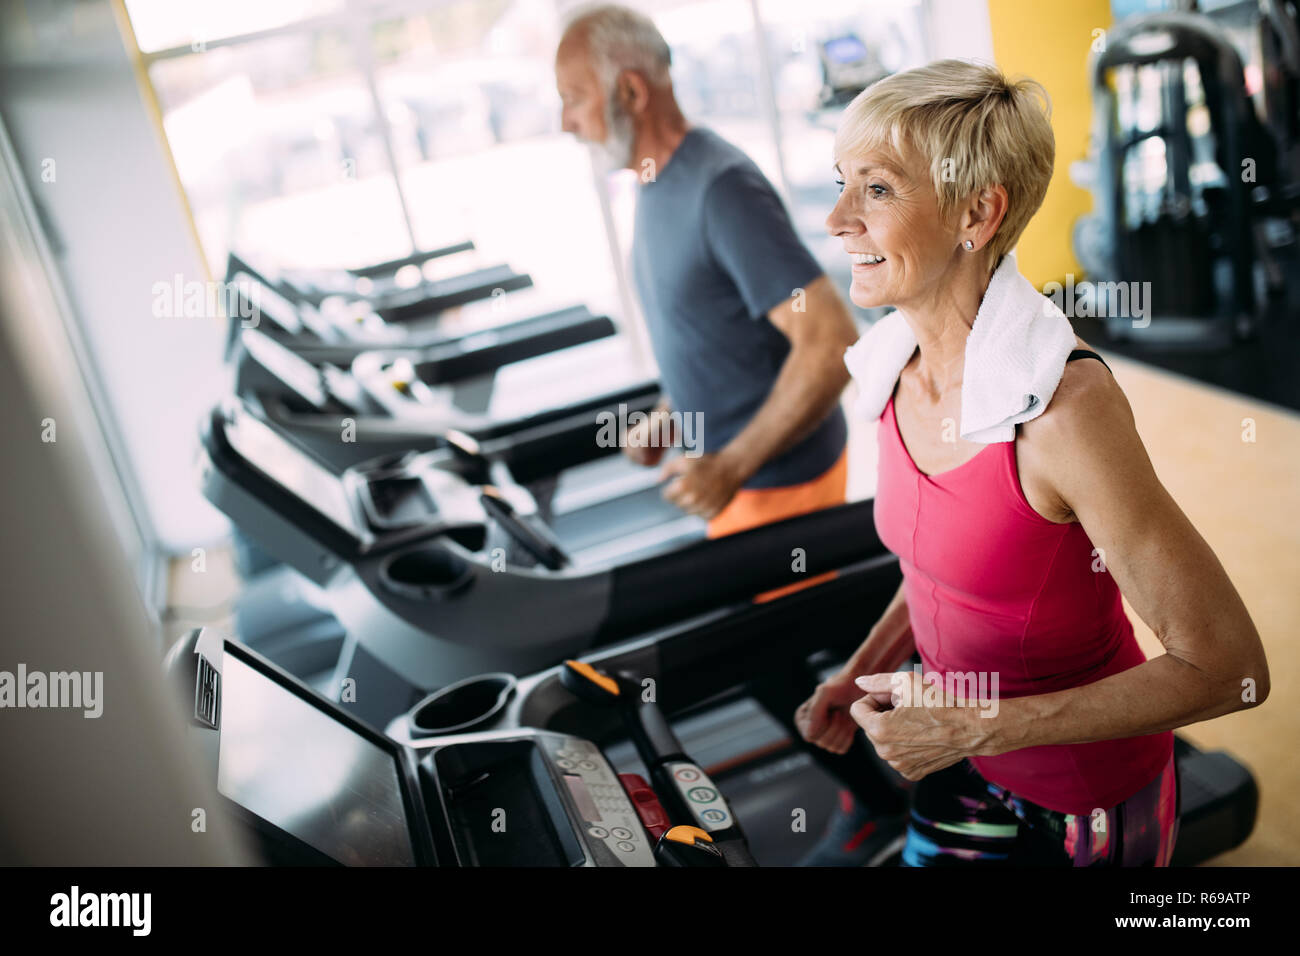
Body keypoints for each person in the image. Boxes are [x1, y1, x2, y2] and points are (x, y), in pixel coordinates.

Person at [796, 59, 1270, 865]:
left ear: (976, 213)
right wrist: (863, 670)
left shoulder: (1064, 413)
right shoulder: (891, 371)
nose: (838, 218)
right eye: (843, 182)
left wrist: (973, 721)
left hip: (1085, 803)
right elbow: (940, 567)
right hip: (966, 760)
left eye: (876, 190)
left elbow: (1230, 669)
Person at [554, 5, 859, 590]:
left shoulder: (721, 189)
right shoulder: (654, 180)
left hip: (780, 488)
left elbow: (830, 341)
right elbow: (715, 328)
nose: (567, 121)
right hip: (739, 482)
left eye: (574, 96)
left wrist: (731, 465)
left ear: (631, 91)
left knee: (794, 662)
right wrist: (671, 418)